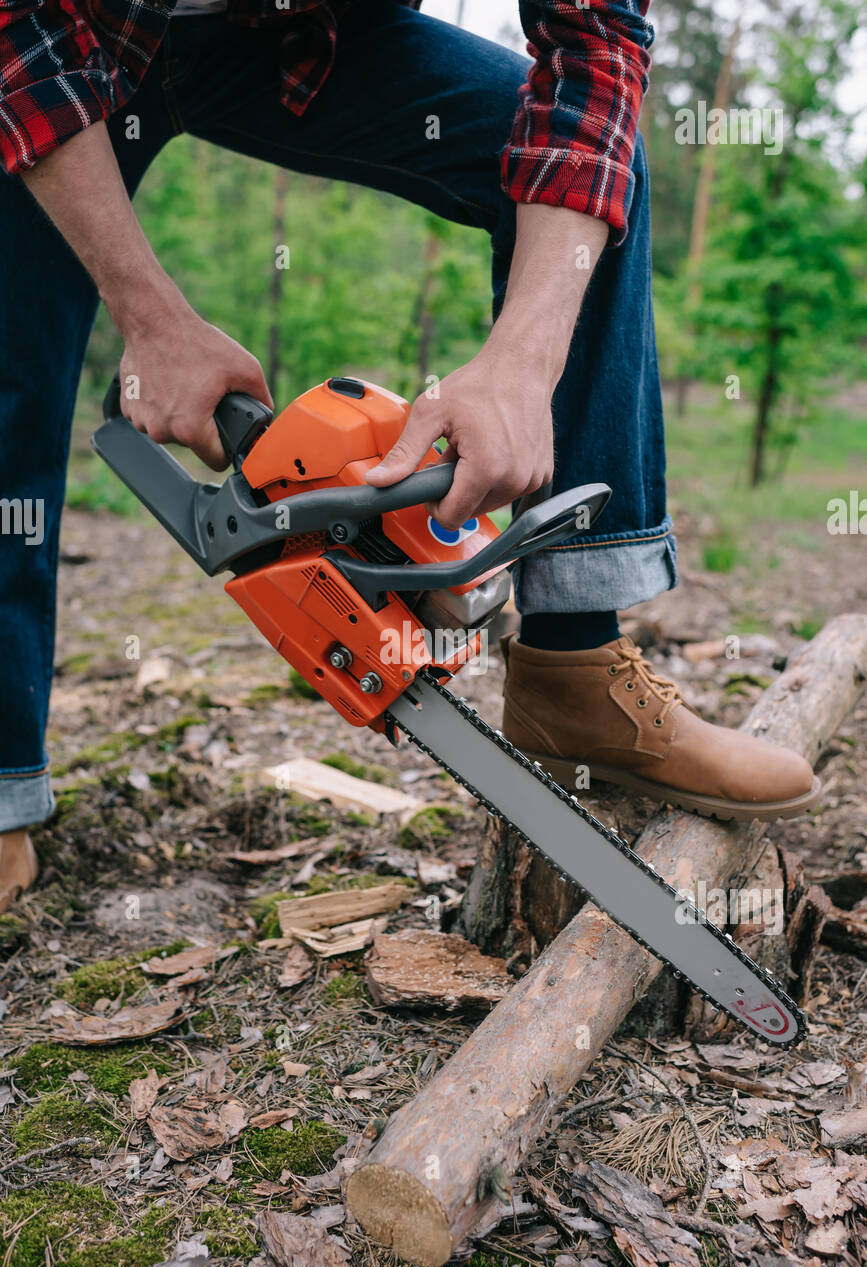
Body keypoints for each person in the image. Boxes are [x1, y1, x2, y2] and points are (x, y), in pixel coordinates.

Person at [0, 0, 818, 911]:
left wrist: (522, 361)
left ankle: (573, 666)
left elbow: (594, 59)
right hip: (60, 40)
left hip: (305, 39)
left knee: (590, 161)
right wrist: (149, 319)